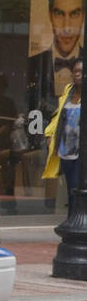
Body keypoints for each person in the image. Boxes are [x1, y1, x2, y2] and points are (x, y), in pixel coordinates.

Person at [27, 0, 85, 119]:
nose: (67, 27)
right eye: (59, 13)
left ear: (83, 15)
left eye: (75, 13)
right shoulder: (35, 62)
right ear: (50, 14)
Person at [43, 59, 83, 215]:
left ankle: (75, 219)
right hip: (66, 149)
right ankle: (72, 218)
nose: (77, 74)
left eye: (80, 71)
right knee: (70, 188)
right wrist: (51, 135)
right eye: (75, 71)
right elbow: (59, 116)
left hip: (82, 151)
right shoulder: (68, 91)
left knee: (76, 187)